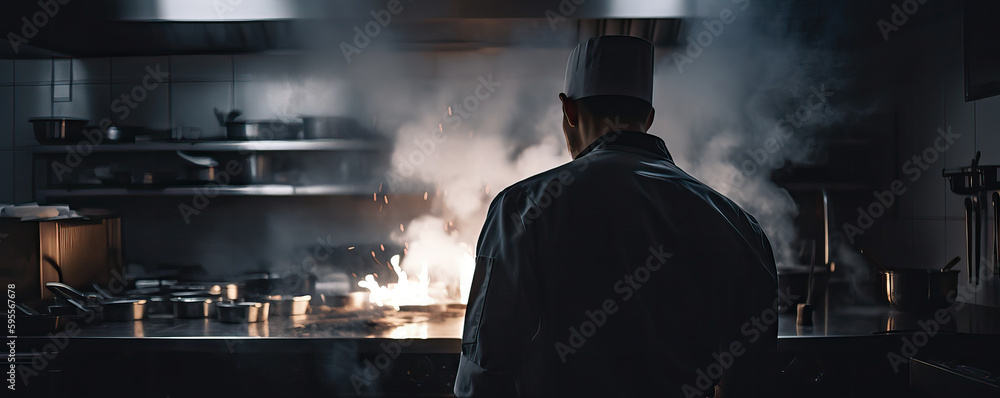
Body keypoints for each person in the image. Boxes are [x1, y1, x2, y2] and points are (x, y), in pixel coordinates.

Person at [455, 35, 777, 398]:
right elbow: (750, 381)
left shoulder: (523, 207)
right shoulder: (736, 224)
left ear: (568, 112)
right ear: (649, 118)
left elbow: (485, 372)